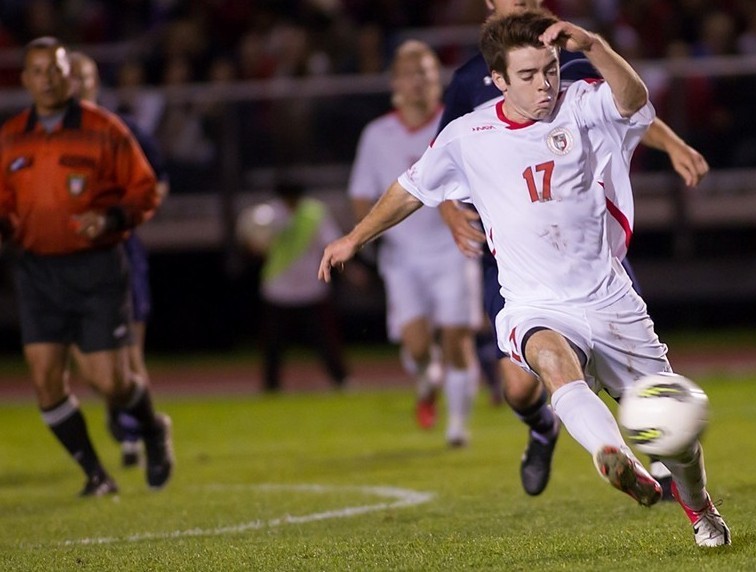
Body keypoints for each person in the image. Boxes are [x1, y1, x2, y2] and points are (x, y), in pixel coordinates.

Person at [320, 10, 730, 547]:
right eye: (530, 75)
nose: (545, 84)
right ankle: (616, 457)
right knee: (553, 364)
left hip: (609, 297)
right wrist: (355, 237)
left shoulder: (582, 104)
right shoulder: (469, 134)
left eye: (551, 69)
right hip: (535, 303)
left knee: (678, 443)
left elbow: (632, 102)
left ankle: (701, 509)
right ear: (498, 81)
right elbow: (409, 188)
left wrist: (596, 45)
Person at [434, 0, 709, 499]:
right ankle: (543, 430)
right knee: (518, 388)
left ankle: (655, 460)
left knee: (628, 371)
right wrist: (449, 210)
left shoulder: (568, 64)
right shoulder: (468, 81)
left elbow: (623, 110)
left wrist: (671, 144)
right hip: (517, 261)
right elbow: (440, 159)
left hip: (588, 248)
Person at [0, 37, 173, 497]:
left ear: (69, 76)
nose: (48, 79)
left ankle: (153, 428)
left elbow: (146, 190)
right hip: (37, 271)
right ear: (25, 79)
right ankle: (97, 475)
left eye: (56, 69)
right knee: (44, 381)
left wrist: (112, 217)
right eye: (38, 71)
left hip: (95, 268)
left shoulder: (105, 129)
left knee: (109, 382)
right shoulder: (12, 135)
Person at [347, 40, 480, 447]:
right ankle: (426, 377)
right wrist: (366, 242)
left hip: (454, 247)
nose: (419, 81)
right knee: (418, 346)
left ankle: (457, 426)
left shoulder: (458, 124)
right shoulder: (377, 134)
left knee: (457, 337)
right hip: (402, 256)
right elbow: (361, 193)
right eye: (410, 73)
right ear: (395, 82)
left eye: (426, 71)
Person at [67, 50, 171, 469]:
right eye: (68, 75)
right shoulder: (40, 136)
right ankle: (118, 407)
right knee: (89, 367)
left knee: (130, 355)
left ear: (95, 81)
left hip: (117, 252)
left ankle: (139, 437)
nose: (75, 83)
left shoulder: (121, 130)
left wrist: (116, 215)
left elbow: (156, 185)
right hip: (62, 260)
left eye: (83, 75)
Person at [249, 180, 350, 392]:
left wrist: (348, 269)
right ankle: (271, 385)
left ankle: (341, 380)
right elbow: (255, 244)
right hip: (278, 288)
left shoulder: (314, 212)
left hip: (311, 287)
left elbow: (331, 243)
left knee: (325, 340)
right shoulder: (268, 215)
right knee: (273, 343)